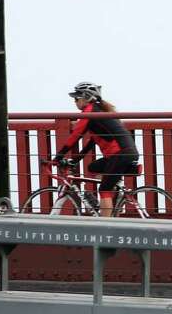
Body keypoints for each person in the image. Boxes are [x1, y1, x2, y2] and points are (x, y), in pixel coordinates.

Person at [53, 82, 139, 217]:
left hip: (120, 154)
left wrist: (58, 157)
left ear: (86, 97)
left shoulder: (90, 112)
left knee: (104, 189)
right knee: (93, 167)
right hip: (123, 153)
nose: (75, 101)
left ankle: (105, 226)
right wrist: (76, 160)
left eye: (77, 98)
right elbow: (90, 143)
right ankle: (111, 202)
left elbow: (76, 135)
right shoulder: (98, 112)